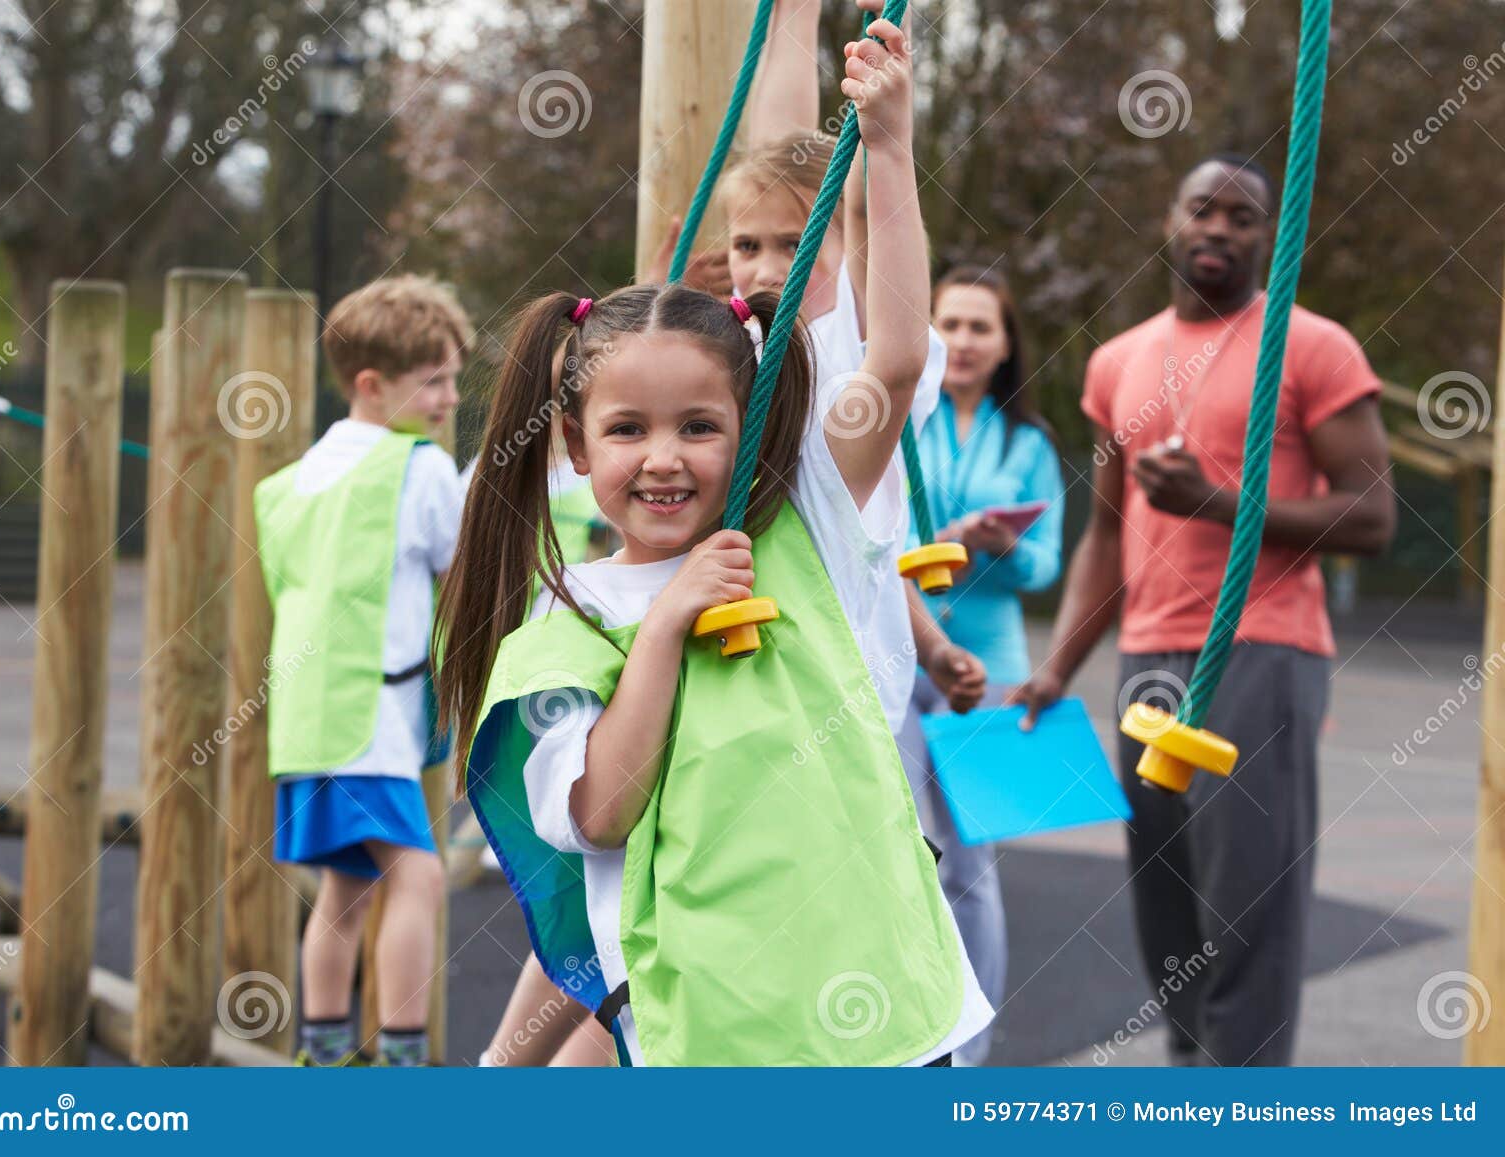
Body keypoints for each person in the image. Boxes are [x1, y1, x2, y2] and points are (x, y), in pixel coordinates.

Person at [439, 16, 992, 1065]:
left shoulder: (793, 519)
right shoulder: (569, 618)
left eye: (700, 426)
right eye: (628, 430)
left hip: (881, 1000)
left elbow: (898, 355)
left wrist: (888, 150)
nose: (665, 458)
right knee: (580, 977)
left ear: (749, 432)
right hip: (715, 1030)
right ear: (571, 440)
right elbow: (600, 812)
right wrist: (668, 627)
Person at [1013, 154, 1395, 1066]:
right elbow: (1105, 535)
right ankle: (1192, 1078)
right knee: (1166, 896)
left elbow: (1373, 514)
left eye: (1243, 216)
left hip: (1261, 649)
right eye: (1204, 210)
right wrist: (1059, 665)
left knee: (1249, 905)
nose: (1220, 229)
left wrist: (1220, 504)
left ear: (1269, 235)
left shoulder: (1311, 346)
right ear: (1170, 221)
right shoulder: (1117, 362)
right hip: (1148, 654)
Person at [731, 0, 986, 744]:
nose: (769, 267)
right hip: (747, 661)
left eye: (794, 243)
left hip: (844, 682)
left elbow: (871, 227)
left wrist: (887, 141)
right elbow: (772, 151)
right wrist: (794, 16)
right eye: (747, 245)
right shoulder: (729, 347)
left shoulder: (855, 336)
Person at [254, 274, 472, 1067]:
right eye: (435, 380)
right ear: (374, 386)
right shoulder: (416, 468)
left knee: (346, 891)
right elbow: (465, 572)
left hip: (310, 718)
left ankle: (323, 1052)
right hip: (370, 714)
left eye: (454, 376)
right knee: (419, 875)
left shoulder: (286, 486)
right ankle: (403, 1059)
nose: (450, 395)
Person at [893, 263, 1065, 1064]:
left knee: (972, 866)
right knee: (896, 853)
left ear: (1005, 346)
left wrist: (1007, 545)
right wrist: (943, 542)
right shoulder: (895, 420)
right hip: (899, 652)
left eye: (978, 327)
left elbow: (1047, 567)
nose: (961, 341)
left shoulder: (1028, 442)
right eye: (949, 324)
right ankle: (903, 1034)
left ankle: (974, 1053)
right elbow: (874, 544)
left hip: (987, 665)